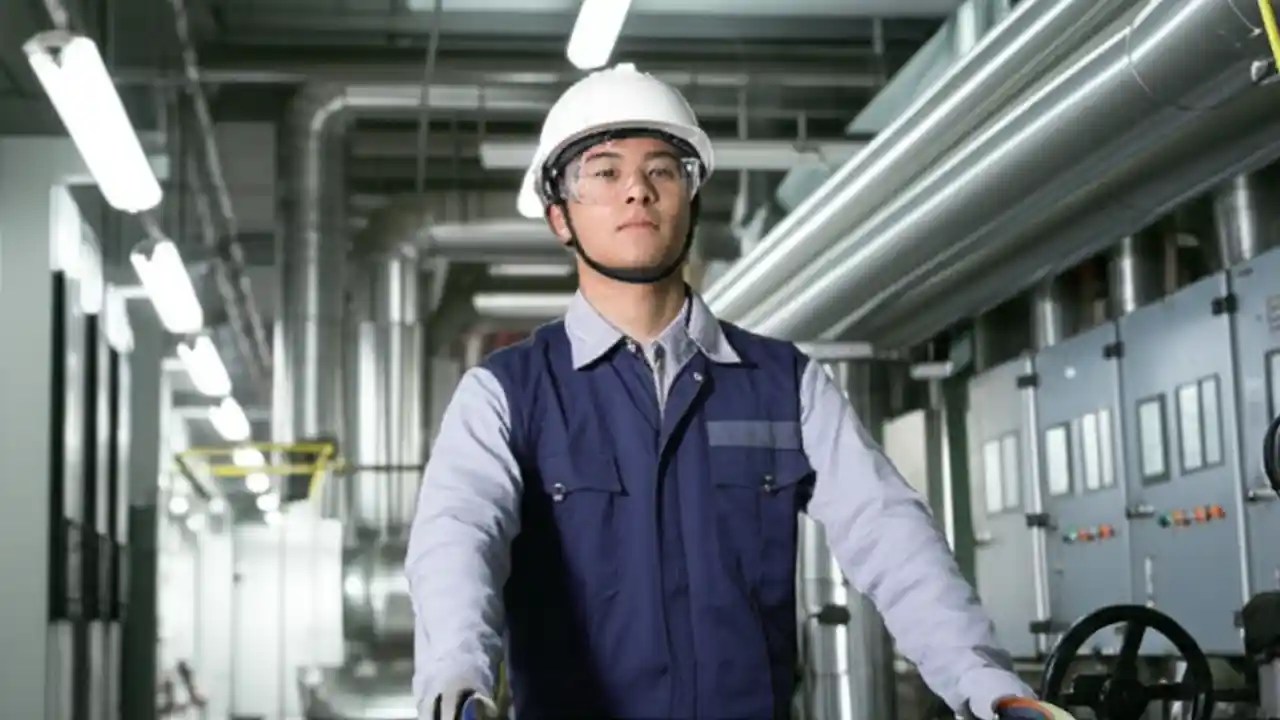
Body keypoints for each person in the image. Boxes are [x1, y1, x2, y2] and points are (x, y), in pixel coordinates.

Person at [406, 63, 1057, 720]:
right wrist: (458, 679)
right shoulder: (507, 394)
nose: (637, 190)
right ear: (559, 218)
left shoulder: (783, 383)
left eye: (662, 170)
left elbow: (889, 534)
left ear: (690, 198)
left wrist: (986, 685)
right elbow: (459, 535)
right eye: (604, 172)